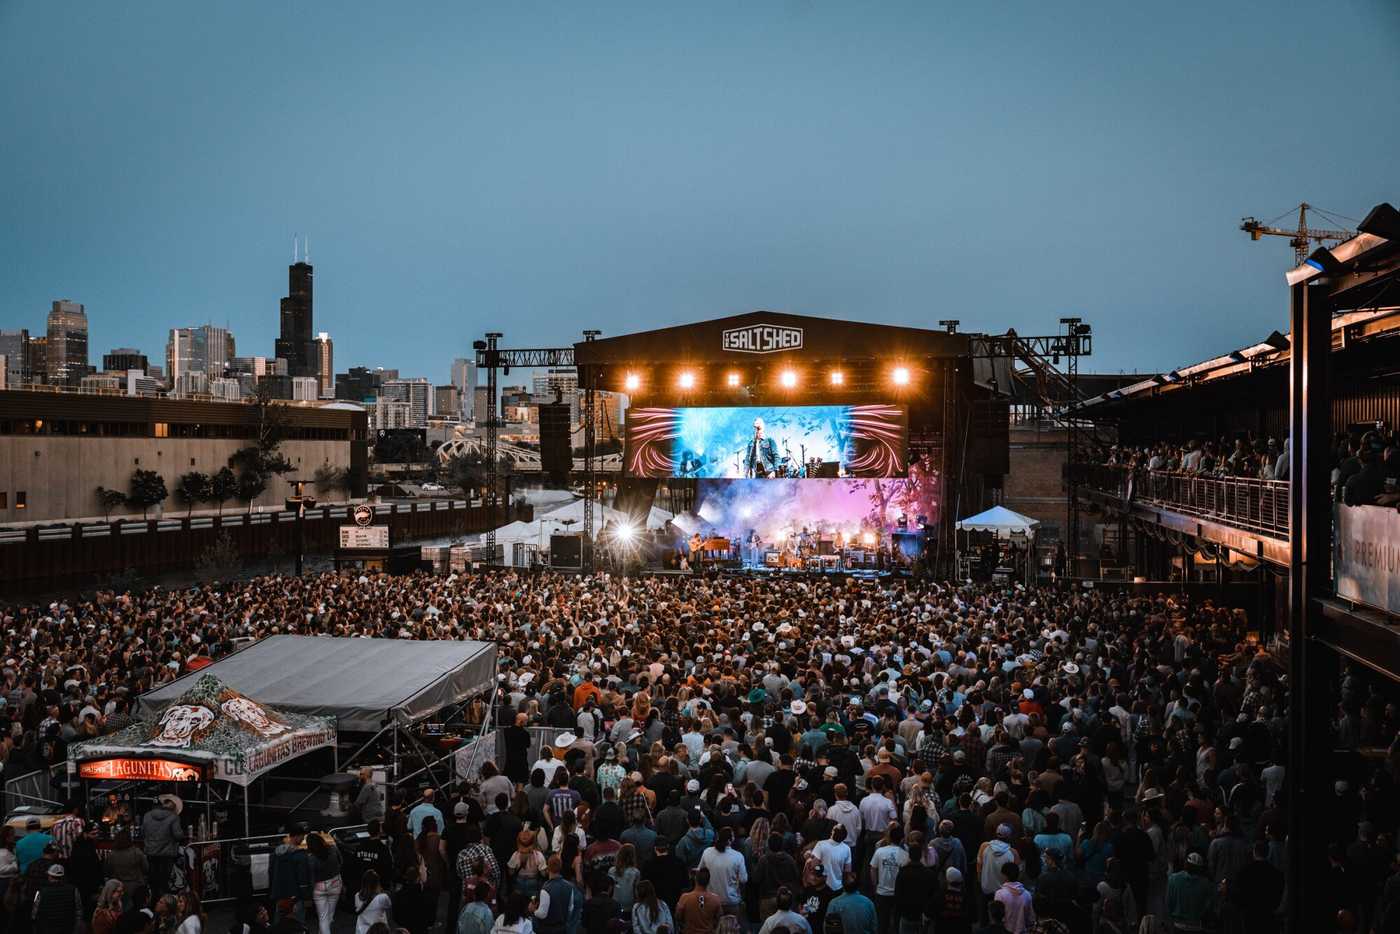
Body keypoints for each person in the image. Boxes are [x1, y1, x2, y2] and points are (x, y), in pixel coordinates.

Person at [698, 827, 747, 925]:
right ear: (730, 840)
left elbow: (699, 871)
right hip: (731, 900)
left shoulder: (707, 852)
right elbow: (743, 879)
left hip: (711, 900)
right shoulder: (738, 856)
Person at [141, 796, 184, 898]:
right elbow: (178, 835)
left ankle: (154, 902)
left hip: (150, 852)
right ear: (173, 808)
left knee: (153, 880)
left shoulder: (147, 815)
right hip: (167, 854)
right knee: (164, 881)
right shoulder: (174, 817)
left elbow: (143, 832)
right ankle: (165, 904)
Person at [270, 825, 312, 924]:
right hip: (295, 895)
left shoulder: (277, 853)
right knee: (297, 923)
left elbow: (271, 871)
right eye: (302, 836)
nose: (303, 839)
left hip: (280, 893)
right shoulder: (300, 855)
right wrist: (306, 896)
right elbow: (303, 879)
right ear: (297, 836)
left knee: (280, 923)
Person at [1165, 852, 1215, 933]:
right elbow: (1209, 906)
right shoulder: (1206, 884)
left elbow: (1168, 903)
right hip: (1196, 926)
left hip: (1177, 925)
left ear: (1185, 864)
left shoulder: (1173, 879)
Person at [306, 832, 343, 934]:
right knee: (330, 916)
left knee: (323, 917)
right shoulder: (333, 849)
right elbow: (341, 862)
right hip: (335, 882)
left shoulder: (311, 858)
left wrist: (309, 893)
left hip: (319, 887)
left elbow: (311, 877)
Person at [531, 857, 579, 934]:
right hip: (562, 929)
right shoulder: (569, 886)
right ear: (560, 867)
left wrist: (533, 910)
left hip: (547, 929)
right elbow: (570, 908)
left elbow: (542, 914)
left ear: (548, 868)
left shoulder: (546, 889)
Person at [31, 863, 83, 934]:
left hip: (47, 929)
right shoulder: (73, 889)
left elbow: (34, 913)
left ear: (50, 876)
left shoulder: (42, 891)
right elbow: (79, 911)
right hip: (67, 928)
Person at [676, 868, 722, 934]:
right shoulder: (715, 899)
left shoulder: (685, 898)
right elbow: (719, 917)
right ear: (708, 881)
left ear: (695, 879)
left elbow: (678, 916)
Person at [991, 864, 1032, 934]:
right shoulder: (1027, 894)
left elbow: (997, 917)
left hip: (1004, 930)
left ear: (1005, 876)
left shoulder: (999, 894)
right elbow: (1030, 918)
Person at [354, 870, 393, 934]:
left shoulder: (357, 895)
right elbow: (389, 910)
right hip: (378, 931)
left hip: (361, 930)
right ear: (377, 883)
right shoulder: (382, 897)